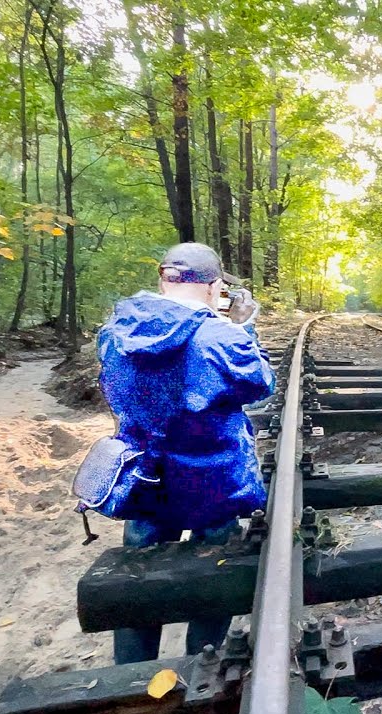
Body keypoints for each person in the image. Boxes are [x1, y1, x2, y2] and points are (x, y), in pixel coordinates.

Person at [96, 242, 275, 664]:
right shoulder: (221, 335)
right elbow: (259, 384)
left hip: (143, 478)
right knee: (215, 571)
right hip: (214, 482)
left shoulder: (116, 331)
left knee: (138, 578)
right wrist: (243, 329)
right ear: (213, 288)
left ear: (164, 281)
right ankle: (203, 661)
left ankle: (132, 676)